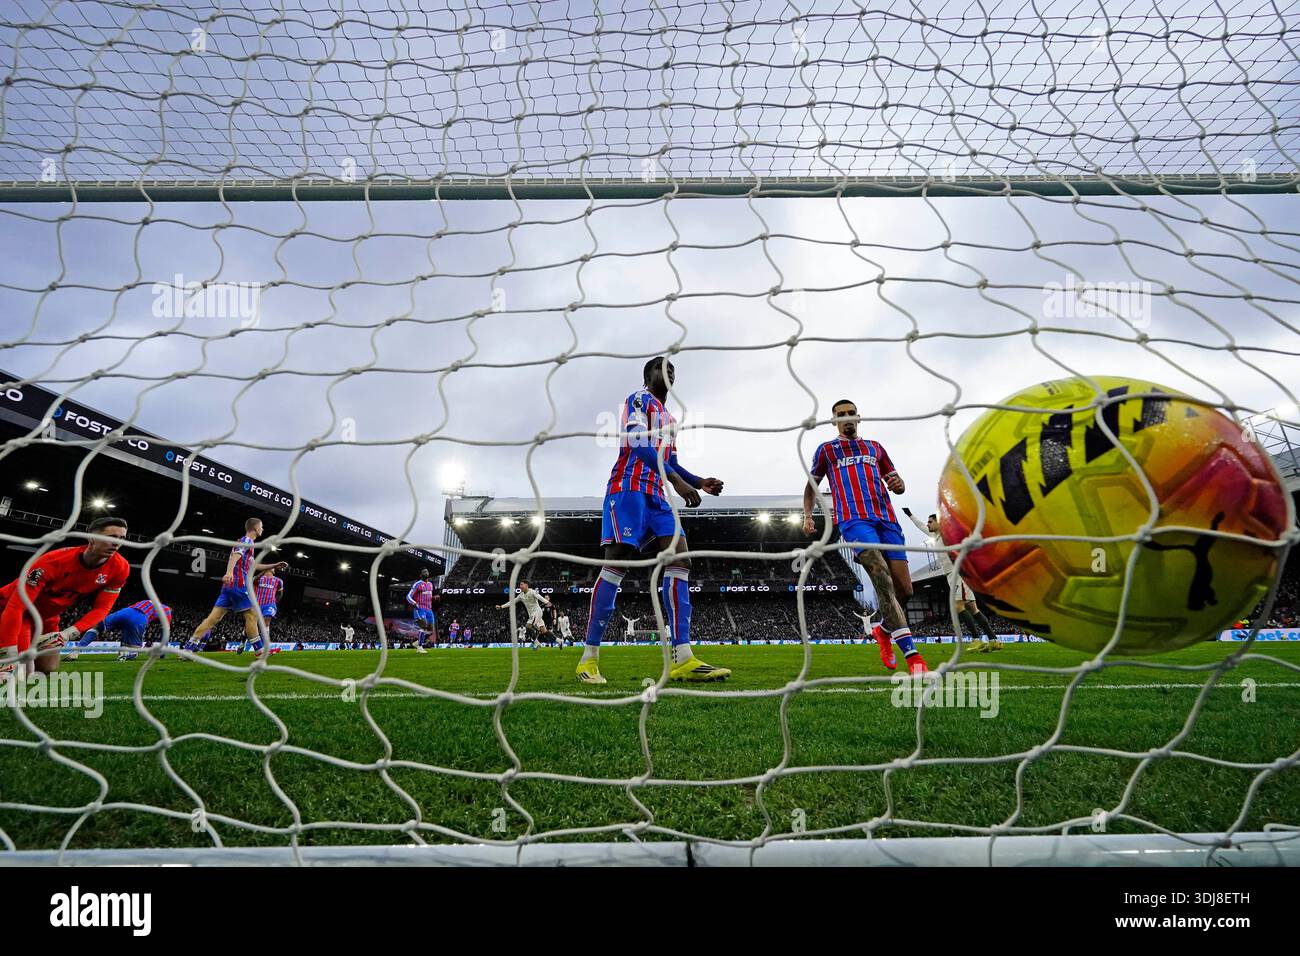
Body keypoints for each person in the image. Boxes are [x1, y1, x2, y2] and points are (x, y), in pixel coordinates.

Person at [577, 356, 729, 684]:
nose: (671, 373)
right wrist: (676, 481)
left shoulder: (670, 418)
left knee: (681, 558)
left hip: (658, 495)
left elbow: (670, 460)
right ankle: (589, 658)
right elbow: (636, 441)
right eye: (665, 368)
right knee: (616, 565)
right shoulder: (639, 399)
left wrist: (698, 480)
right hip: (628, 490)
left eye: (675, 370)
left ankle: (683, 657)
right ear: (649, 374)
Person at [803, 399, 927, 674]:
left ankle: (883, 630)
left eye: (850, 414)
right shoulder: (827, 451)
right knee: (880, 575)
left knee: (905, 590)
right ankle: (913, 656)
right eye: (840, 415)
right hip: (854, 520)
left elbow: (898, 484)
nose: (846, 418)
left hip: (887, 520)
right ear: (834, 421)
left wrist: (899, 484)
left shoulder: (875, 448)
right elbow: (811, 485)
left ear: (858, 418)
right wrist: (808, 515)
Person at [0, 515, 131, 682]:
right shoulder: (52, 561)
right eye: (111, 537)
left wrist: (68, 633)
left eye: (121, 538)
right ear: (91, 537)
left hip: (48, 616)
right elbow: (17, 607)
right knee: (22, 675)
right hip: (13, 609)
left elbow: (102, 608)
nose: (117, 543)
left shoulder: (120, 568)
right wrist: (8, 650)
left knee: (49, 667)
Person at [184, 518, 287, 659]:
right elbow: (236, 556)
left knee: (213, 619)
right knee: (252, 615)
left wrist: (274, 565)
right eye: (261, 527)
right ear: (256, 528)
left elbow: (254, 566)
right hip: (238, 584)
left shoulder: (248, 544)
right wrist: (229, 572)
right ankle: (259, 651)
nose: (262, 529)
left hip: (228, 587)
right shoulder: (247, 541)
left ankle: (188, 648)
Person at [902, 507, 1001, 652]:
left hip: (957, 573)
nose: (927, 524)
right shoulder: (935, 536)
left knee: (957, 607)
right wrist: (910, 515)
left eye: (930, 521)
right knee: (973, 609)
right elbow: (921, 526)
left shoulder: (946, 534)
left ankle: (976, 640)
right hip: (952, 574)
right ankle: (994, 640)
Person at [68, 598, 172, 662]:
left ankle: (76, 651)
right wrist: (163, 652)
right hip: (139, 618)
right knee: (134, 651)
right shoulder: (167, 610)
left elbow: (127, 623)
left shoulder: (148, 602)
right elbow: (165, 633)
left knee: (96, 628)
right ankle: (126, 653)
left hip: (125, 611)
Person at [241, 568, 285, 654]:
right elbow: (254, 581)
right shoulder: (257, 578)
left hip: (269, 605)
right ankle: (243, 642)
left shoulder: (278, 581)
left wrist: (275, 602)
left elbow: (280, 593)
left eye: (272, 568)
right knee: (250, 626)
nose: (272, 568)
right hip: (255, 605)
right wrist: (263, 571)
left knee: (266, 621)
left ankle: (265, 647)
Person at [497, 580, 551, 650]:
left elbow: (539, 597)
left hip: (537, 612)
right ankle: (559, 641)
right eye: (520, 585)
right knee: (544, 631)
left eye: (522, 584)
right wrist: (501, 606)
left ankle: (536, 643)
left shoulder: (532, 592)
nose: (520, 586)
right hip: (532, 614)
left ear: (526, 585)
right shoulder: (521, 595)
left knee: (528, 626)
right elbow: (512, 602)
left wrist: (547, 602)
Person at [406, 568, 438, 653]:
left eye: (427, 571)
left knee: (431, 630)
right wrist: (414, 603)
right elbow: (408, 596)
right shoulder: (417, 584)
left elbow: (429, 597)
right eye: (424, 572)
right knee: (423, 626)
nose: (426, 573)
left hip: (429, 609)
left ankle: (417, 643)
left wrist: (434, 598)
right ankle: (420, 647)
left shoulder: (431, 584)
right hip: (420, 608)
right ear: (420, 575)